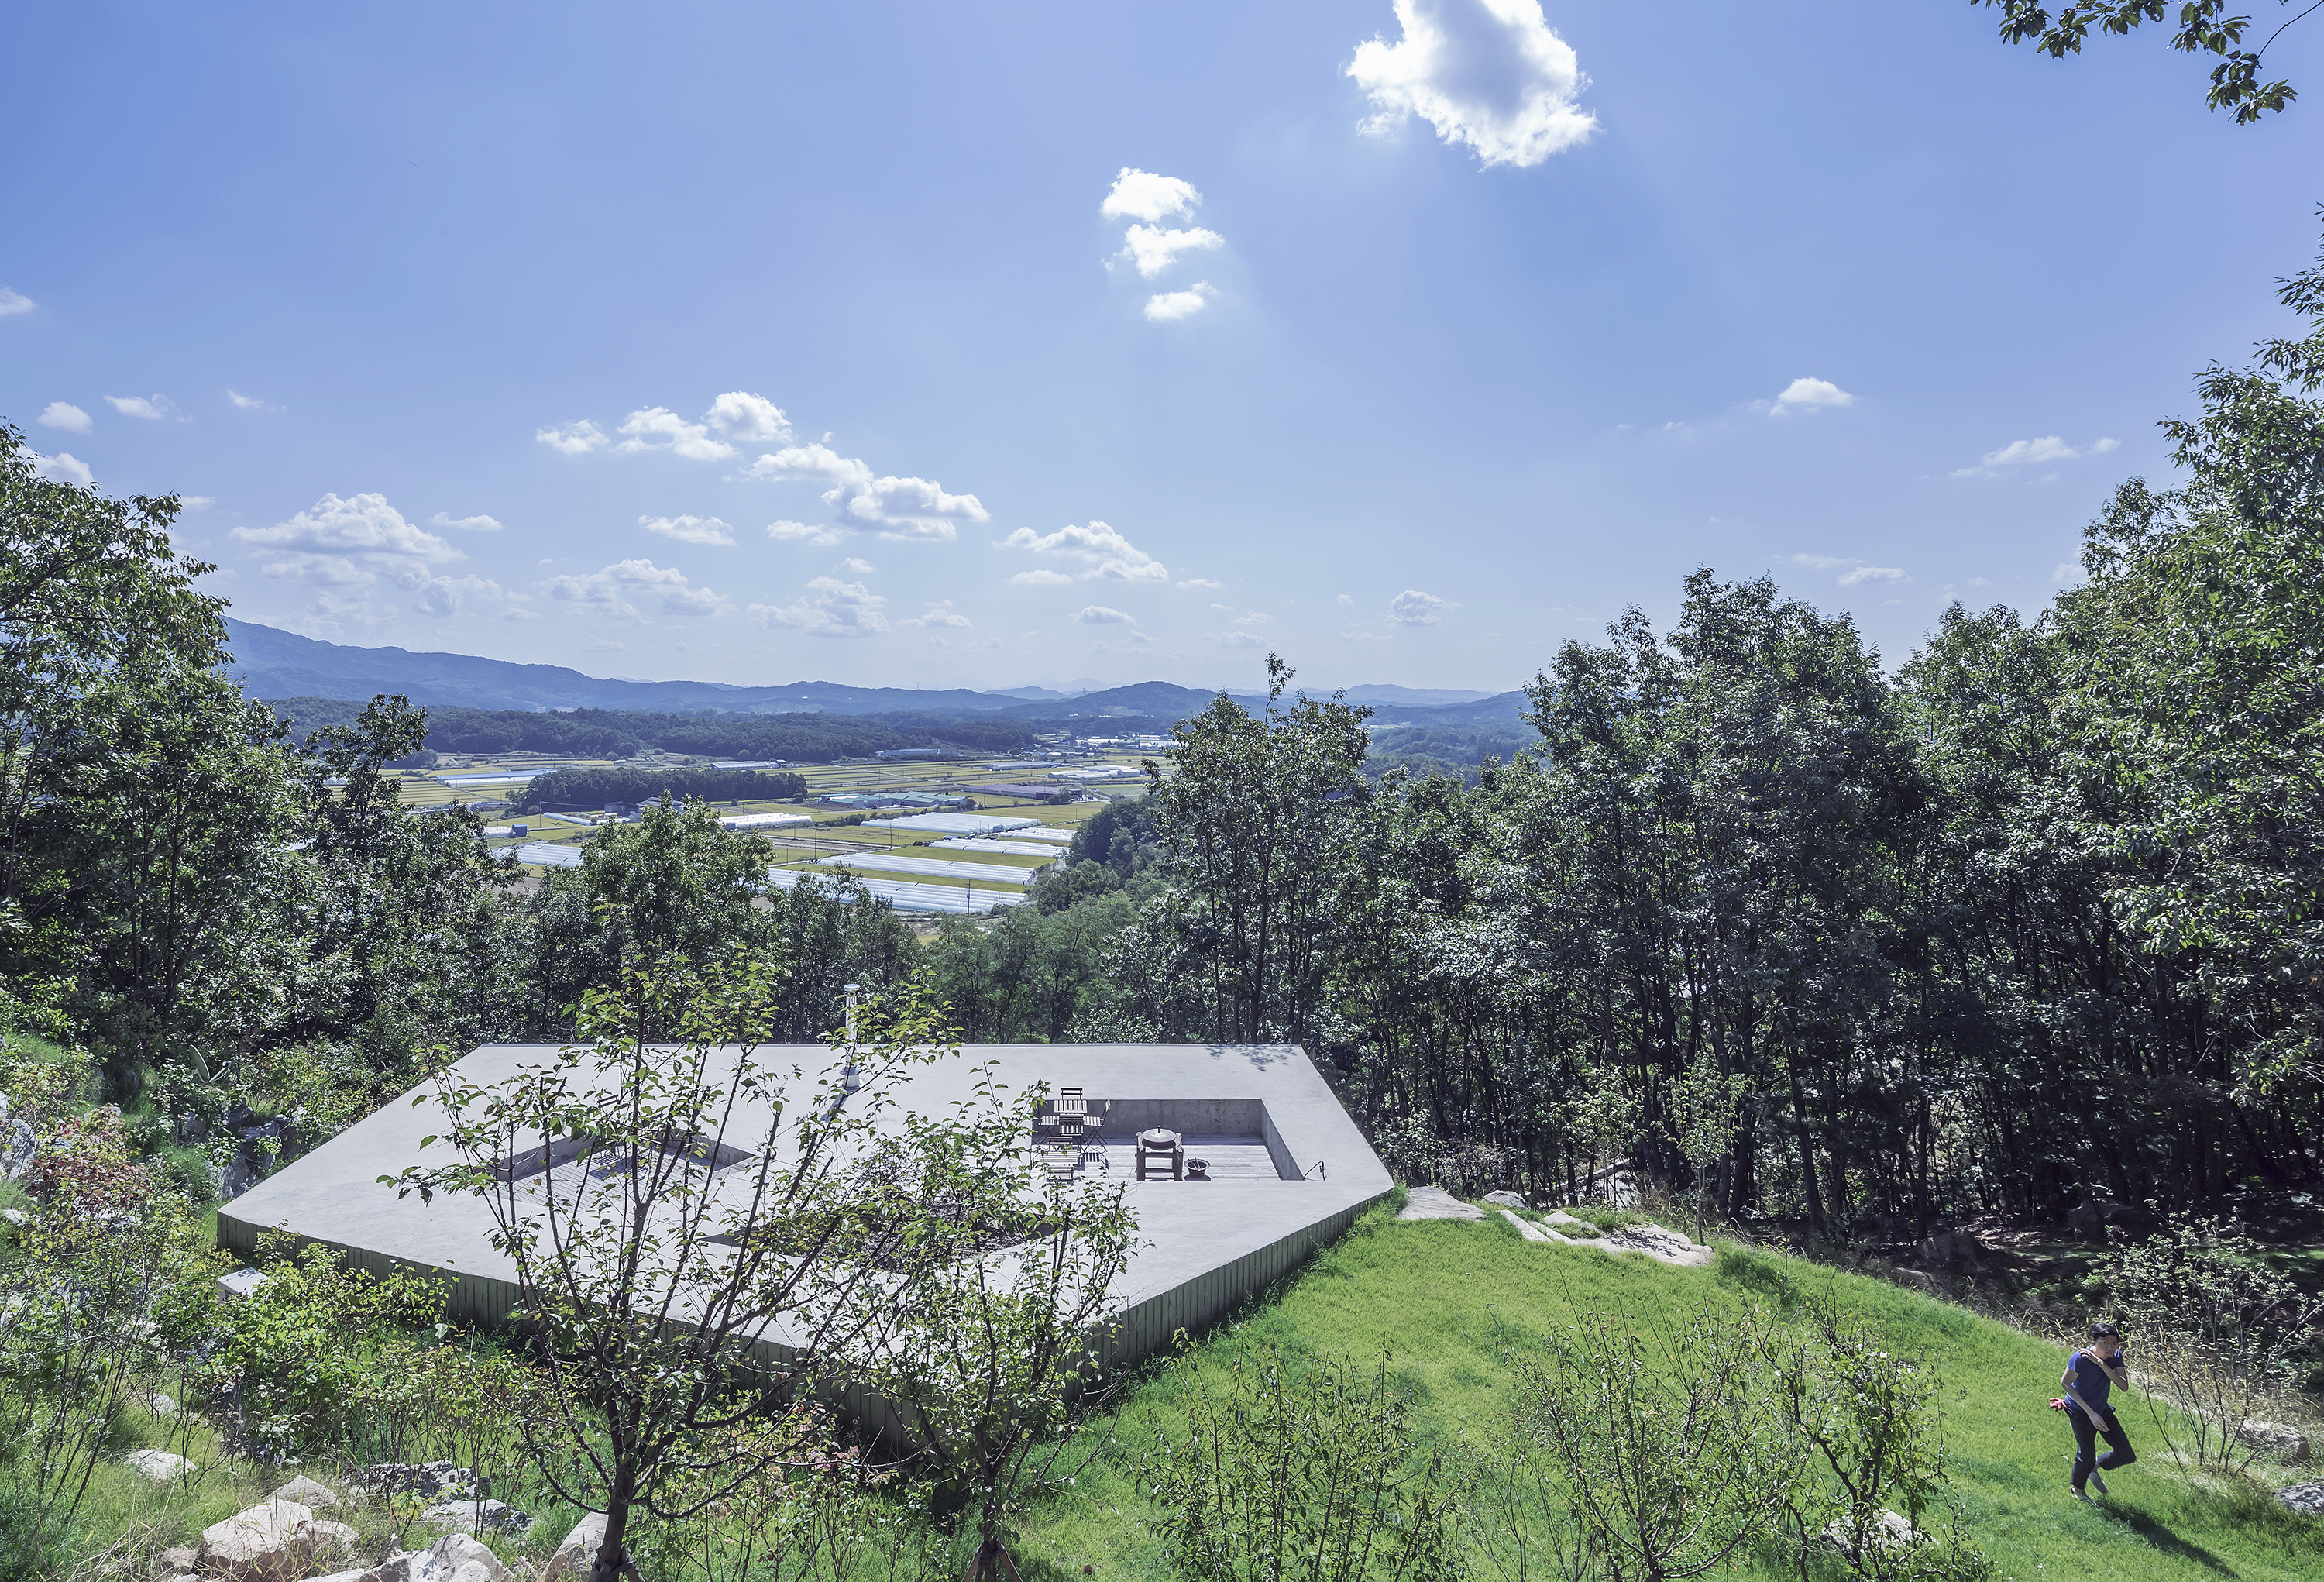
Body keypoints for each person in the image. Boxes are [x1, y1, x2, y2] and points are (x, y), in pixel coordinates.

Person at [2061, 1321, 2136, 1499]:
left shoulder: (2115, 1356)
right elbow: (2066, 1383)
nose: (2110, 1347)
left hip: (2101, 1408)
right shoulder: (2080, 1358)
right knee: (2086, 1455)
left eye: (2114, 1343)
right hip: (2080, 1410)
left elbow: (2123, 1386)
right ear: (2093, 1340)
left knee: (2126, 1454)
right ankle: (2077, 1491)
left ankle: (2093, 1467)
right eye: (2105, 1342)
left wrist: (2101, 1363)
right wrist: (2091, 1413)